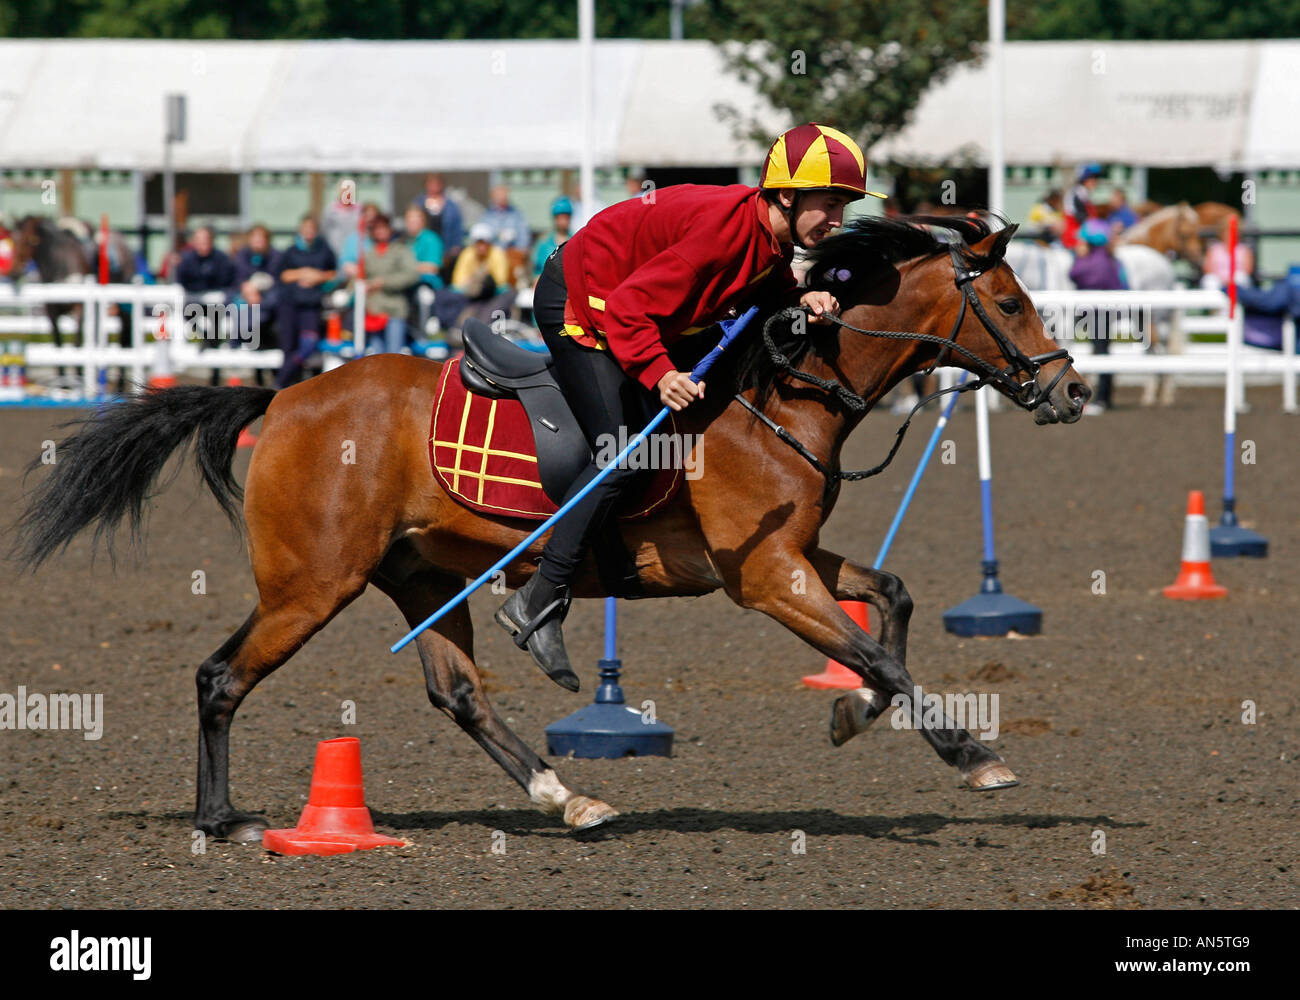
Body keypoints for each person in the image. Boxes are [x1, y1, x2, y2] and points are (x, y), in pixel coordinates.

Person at [495, 122, 878, 690]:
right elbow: (628, 308)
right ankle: (538, 597)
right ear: (787, 196)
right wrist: (660, 373)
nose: (837, 221)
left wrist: (800, 296)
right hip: (584, 301)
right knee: (620, 451)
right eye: (828, 204)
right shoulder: (726, 232)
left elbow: (759, 283)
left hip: (630, 305)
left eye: (844, 206)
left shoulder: (769, 238)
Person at [1069, 218, 1126, 414]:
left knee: (1101, 351)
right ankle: (1103, 398)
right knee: (1102, 350)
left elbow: (1074, 273)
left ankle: (1102, 399)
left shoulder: (1093, 261)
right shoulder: (1107, 258)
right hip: (1101, 313)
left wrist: (1079, 258)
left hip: (1098, 313)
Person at [275, 214, 337, 389]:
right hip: (289, 303)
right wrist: (303, 272)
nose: (309, 232)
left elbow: (334, 273)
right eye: (306, 228)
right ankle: (288, 388)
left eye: (312, 228)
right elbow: (283, 275)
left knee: (308, 344)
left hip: (311, 304)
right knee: (288, 346)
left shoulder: (324, 250)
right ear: (300, 230)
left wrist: (318, 277)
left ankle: (280, 381)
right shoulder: (291, 251)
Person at [176, 225, 237, 386]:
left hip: (216, 306)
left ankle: (215, 376)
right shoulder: (187, 259)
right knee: (189, 313)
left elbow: (226, 280)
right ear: (194, 242)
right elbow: (182, 280)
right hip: (194, 302)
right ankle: (206, 340)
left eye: (206, 240)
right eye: (199, 240)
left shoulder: (221, 258)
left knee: (216, 330)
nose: (203, 244)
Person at [227, 223, 282, 385]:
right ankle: (237, 342)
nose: (258, 241)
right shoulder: (242, 255)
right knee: (239, 308)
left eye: (261, 238)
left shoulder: (275, 256)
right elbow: (239, 278)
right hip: (248, 303)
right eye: (255, 238)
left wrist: (255, 287)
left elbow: (274, 279)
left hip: (267, 309)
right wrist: (247, 289)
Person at [359, 213, 419, 354]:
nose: (380, 231)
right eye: (377, 228)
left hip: (394, 309)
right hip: (374, 310)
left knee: (393, 354)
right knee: (375, 355)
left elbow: (411, 274)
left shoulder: (401, 251)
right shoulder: (369, 254)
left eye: (383, 228)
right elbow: (360, 277)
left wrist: (384, 282)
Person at [450, 222, 515, 325]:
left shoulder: (498, 254)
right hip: (472, 296)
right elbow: (457, 282)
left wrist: (480, 281)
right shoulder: (467, 254)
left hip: (493, 295)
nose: (481, 246)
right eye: (478, 242)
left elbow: (500, 281)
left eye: (484, 242)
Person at [412, 173, 465, 270]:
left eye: (437, 183)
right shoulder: (418, 203)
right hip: (425, 247)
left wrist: (455, 246)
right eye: (431, 183)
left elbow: (457, 227)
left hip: (446, 248)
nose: (434, 186)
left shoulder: (451, 205)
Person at [531, 196, 573, 278]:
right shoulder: (543, 243)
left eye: (566, 217)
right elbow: (537, 270)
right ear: (555, 218)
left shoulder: (575, 241)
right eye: (560, 218)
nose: (563, 221)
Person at [1064, 163, 1103, 250]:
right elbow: (1082, 219)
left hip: (1084, 239)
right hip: (1076, 242)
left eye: (1096, 178)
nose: (1095, 181)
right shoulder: (1076, 193)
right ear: (1083, 179)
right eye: (1092, 178)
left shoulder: (1083, 194)